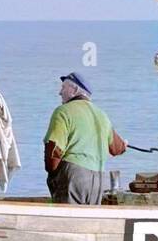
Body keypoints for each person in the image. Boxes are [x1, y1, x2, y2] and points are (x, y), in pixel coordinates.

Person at [43, 72, 126, 204]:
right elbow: (117, 148)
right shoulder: (102, 115)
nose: (60, 92)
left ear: (74, 90)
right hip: (98, 179)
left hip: (74, 175)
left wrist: (52, 173)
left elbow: (54, 151)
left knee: (67, 220)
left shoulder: (63, 111)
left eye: (63, 88)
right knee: (90, 221)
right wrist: (124, 145)